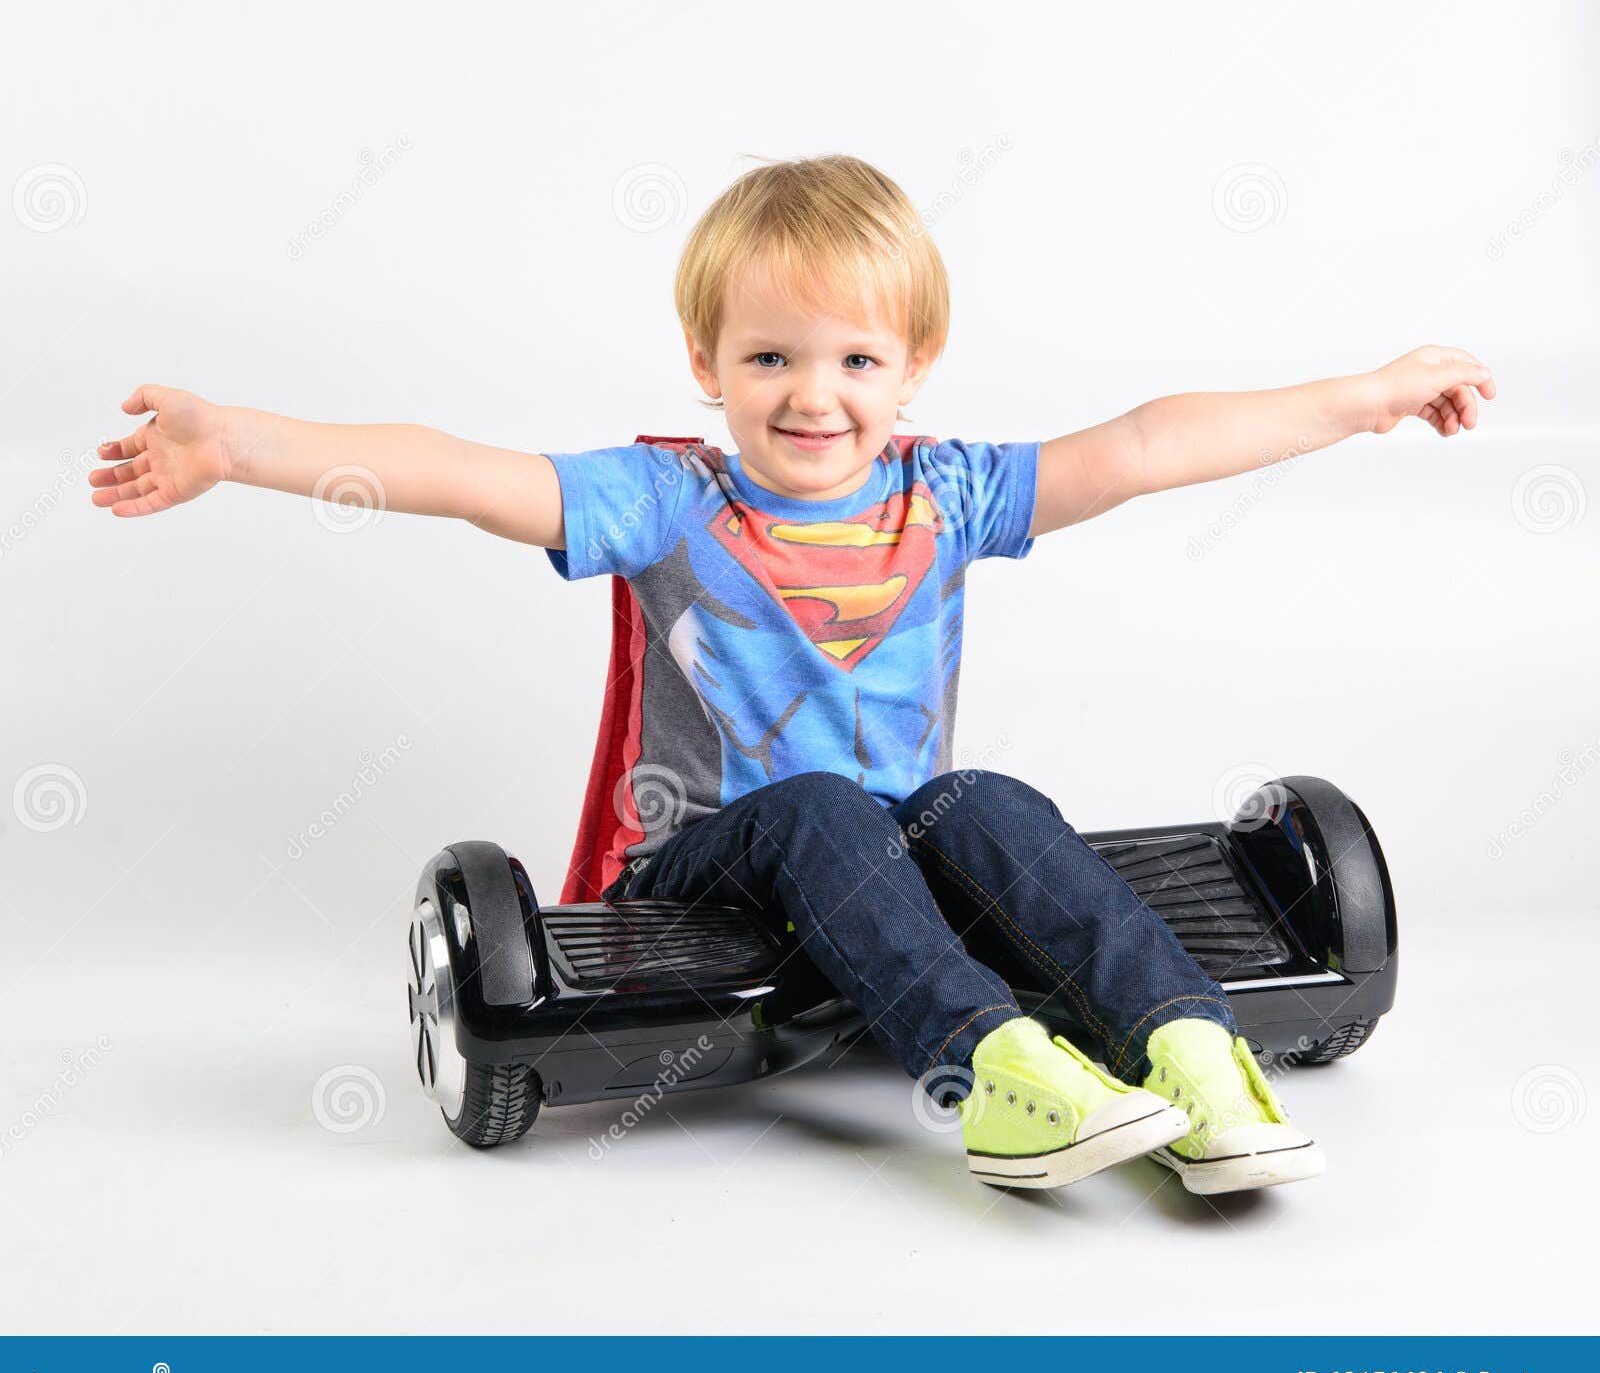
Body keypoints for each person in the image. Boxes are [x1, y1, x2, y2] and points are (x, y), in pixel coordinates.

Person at [88, 154, 1493, 1196]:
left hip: (889, 866)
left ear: (912, 367)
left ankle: (1194, 1059)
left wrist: (1362, 396)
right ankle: (996, 1079)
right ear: (706, 361)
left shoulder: (947, 493)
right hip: (705, 877)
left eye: (854, 358)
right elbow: (460, 472)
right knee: (824, 804)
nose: (813, 395)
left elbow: (1142, 445)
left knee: (982, 800)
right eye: (769, 356)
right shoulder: (667, 500)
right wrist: (243, 442)